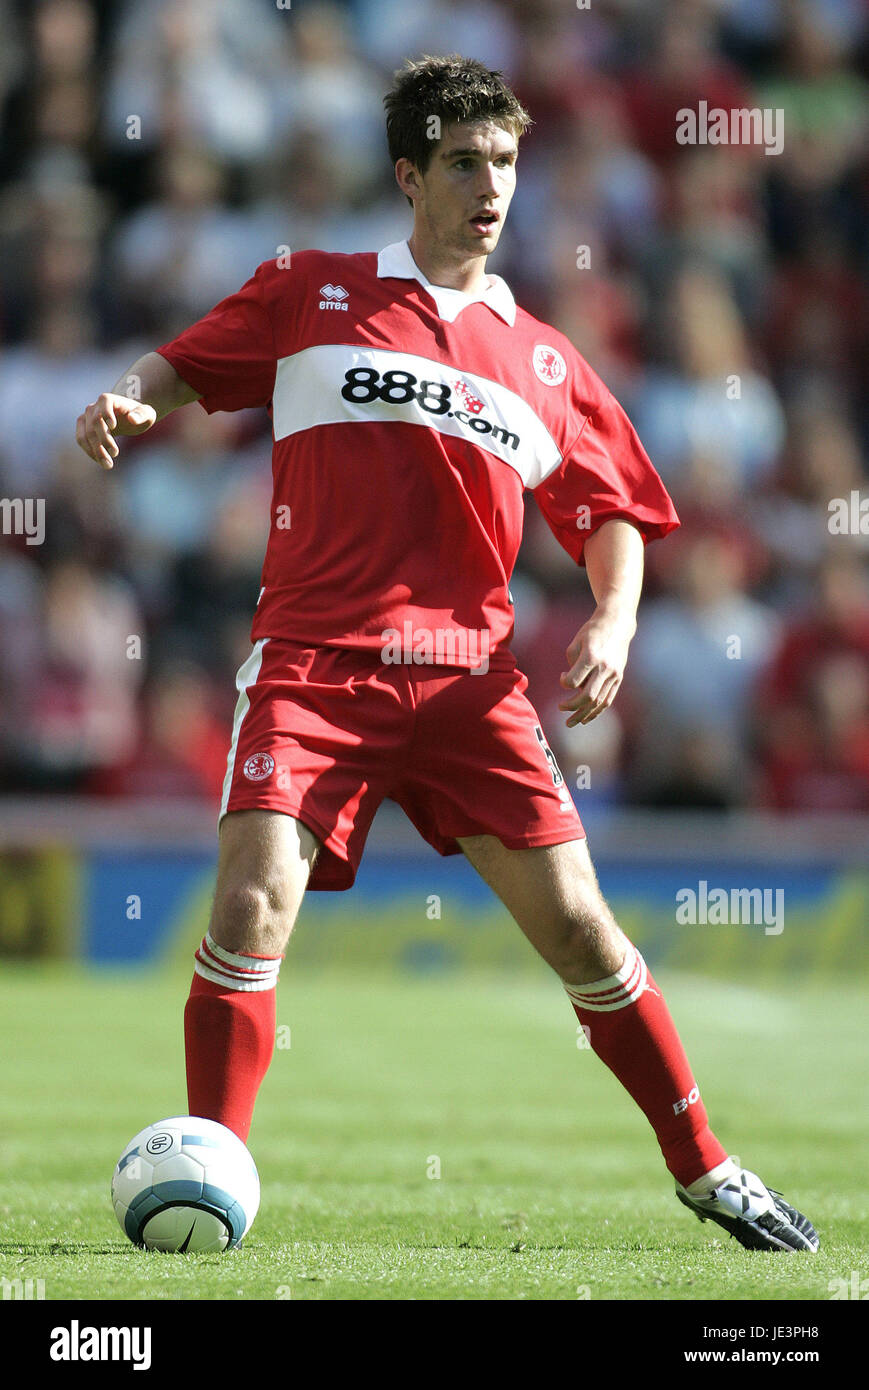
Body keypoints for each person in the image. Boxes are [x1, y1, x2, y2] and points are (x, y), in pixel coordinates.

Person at [75, 55, 817, 1254]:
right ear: (409, 173)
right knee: (254, 900)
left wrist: (615, 617)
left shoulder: (544, 360)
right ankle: (216, 1170)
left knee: (580, 929)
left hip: (471, 683)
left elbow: (613, 511)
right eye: (464, 162)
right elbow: (182, 366)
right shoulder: (308, 292)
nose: (490, 186)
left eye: (506, 163)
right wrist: (127, 397)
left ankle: (708, 1171)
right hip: (316, 664)